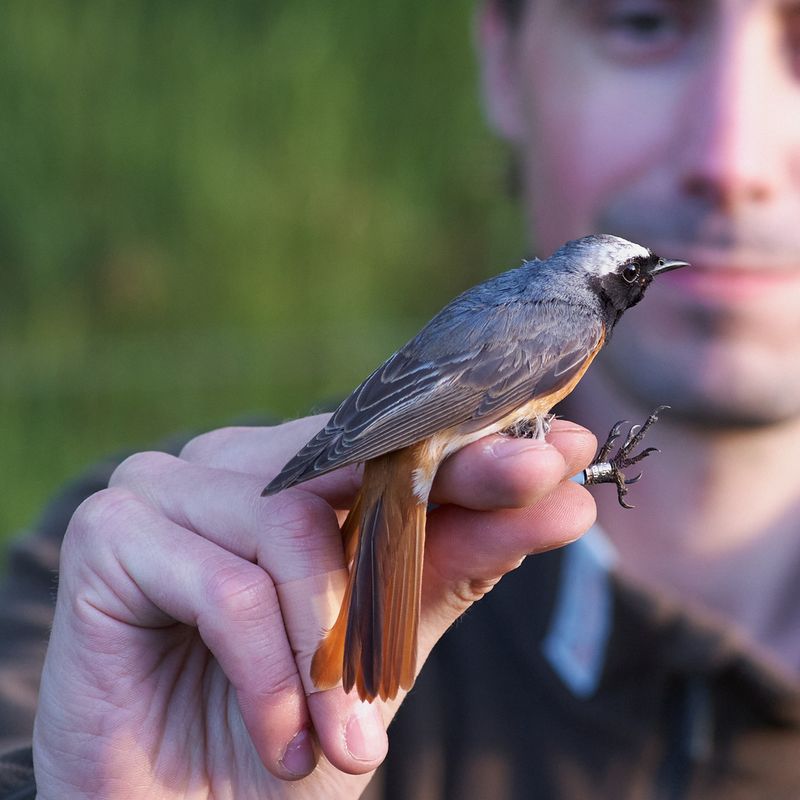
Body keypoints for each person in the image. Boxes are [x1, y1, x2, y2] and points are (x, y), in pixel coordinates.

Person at [3, 0, 800, 796]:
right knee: (531, 469)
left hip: (402, 426)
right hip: (419, 445)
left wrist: (351, 436)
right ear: (499, 53)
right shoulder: (569, 320)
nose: (729, 164)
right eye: (642, 20)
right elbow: (467, 406)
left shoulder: (530, 299)